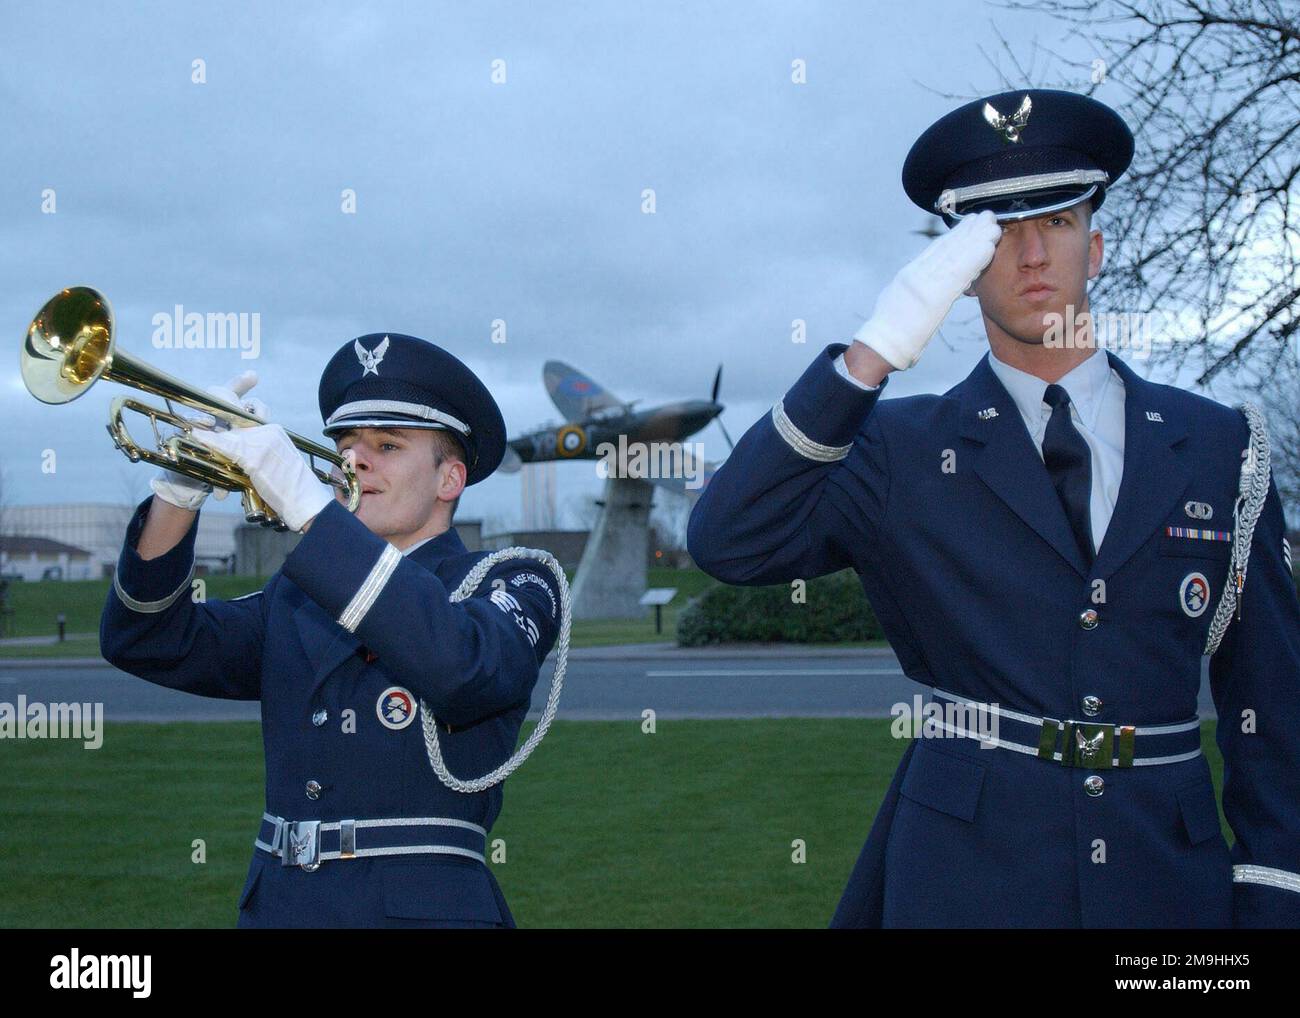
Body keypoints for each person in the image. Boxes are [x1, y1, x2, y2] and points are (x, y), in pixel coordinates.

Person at [687, 89, 1300, 928]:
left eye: (1058, 221)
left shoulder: (1220, 446)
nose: (1032, 254)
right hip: (967, 879)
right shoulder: (898, 450)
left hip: (1166, 884)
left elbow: (1273, 709)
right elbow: (729, 540)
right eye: (999, 233)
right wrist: (871, 354)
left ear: (1096, 247)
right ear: (961, 269)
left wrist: (1273, 899)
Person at [100, 333, 565, 928]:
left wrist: (311, 514)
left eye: (387, 445)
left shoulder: (513, 578)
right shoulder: (298, 596)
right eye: (345, 445)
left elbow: (461, 667)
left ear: (449, 480)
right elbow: (146, 639)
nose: (354, 461)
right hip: (281, 910)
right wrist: (179, 490)